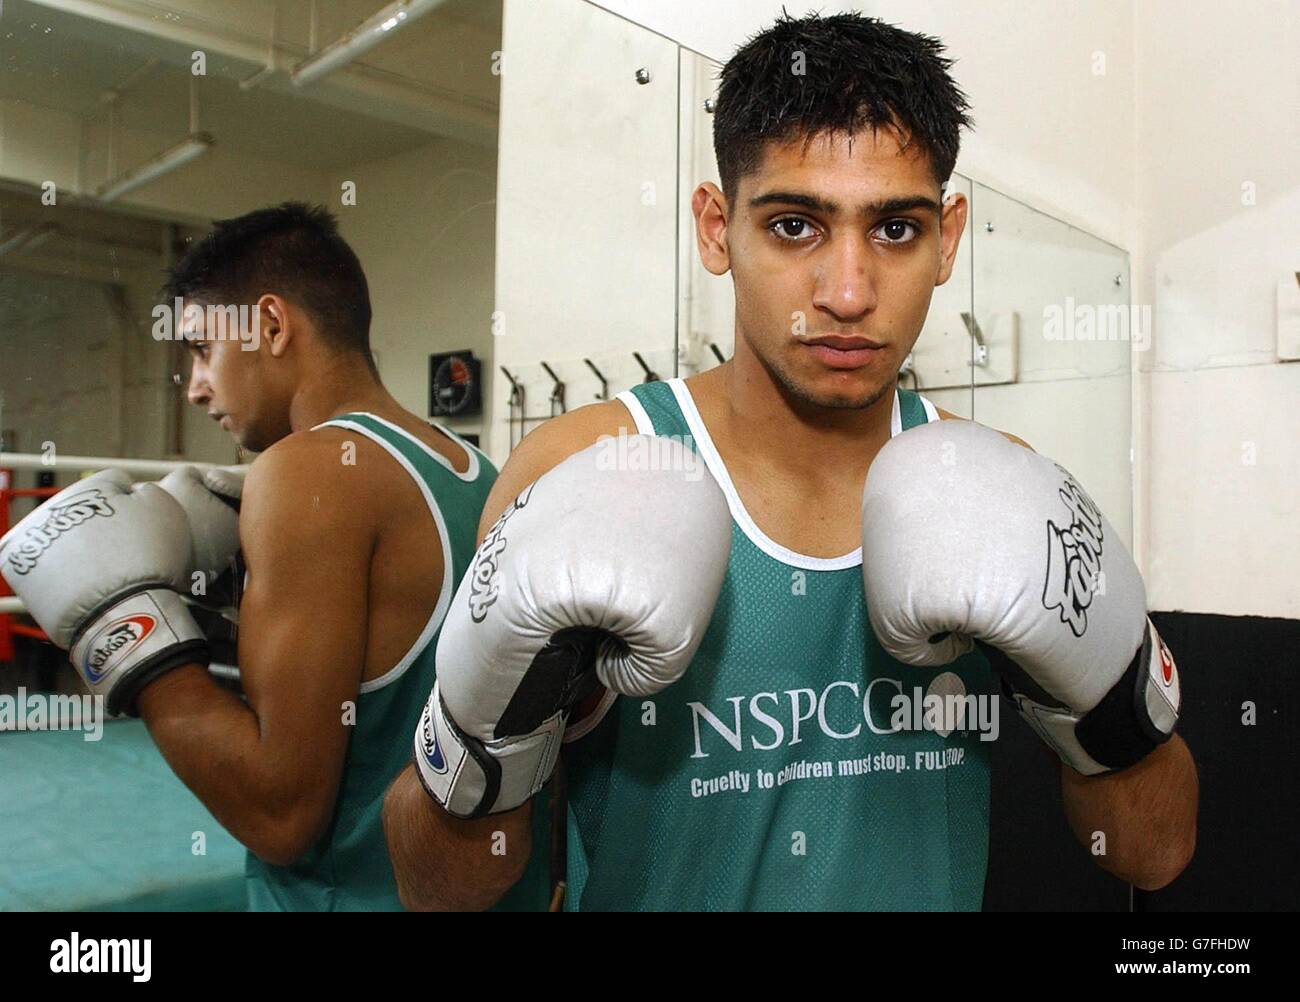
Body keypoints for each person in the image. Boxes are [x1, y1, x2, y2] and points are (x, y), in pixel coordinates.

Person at [381, 13, 1197, 911]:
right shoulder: (583, 467)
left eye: (895, 229)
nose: (847, 293)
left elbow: (1152, 854)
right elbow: (440, 890)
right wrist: (488, 749)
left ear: (950, 237)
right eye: (796, 225)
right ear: (716, 227)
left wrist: (1101, 710)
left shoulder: (995, 484)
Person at [0, 203, 550, 911]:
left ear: (268, 324)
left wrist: (125, 628)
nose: (196, 386)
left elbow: (280, 814)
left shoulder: (306, 473)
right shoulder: (471, 465)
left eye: (201, 349)